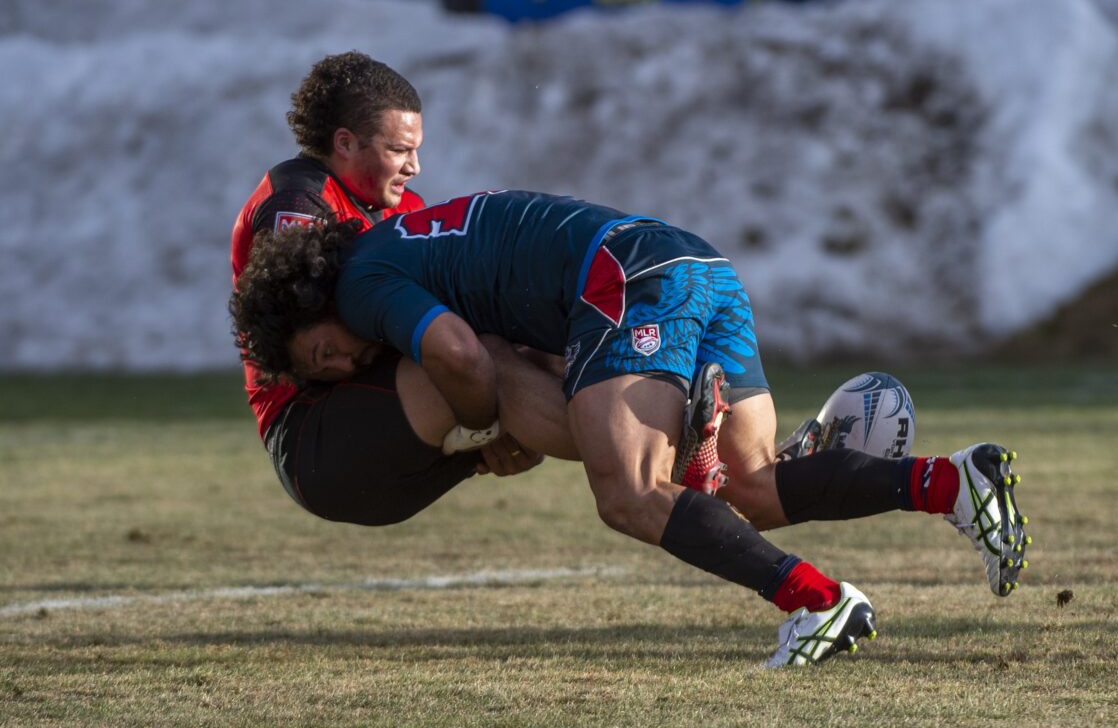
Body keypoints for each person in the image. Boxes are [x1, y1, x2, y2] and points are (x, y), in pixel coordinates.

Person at [231, 191, 1030, 667]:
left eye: (323, 354)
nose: (340, 367)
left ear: (316, 304)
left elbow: (458, 355)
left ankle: (815, 600)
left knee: (630, 494)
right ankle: (952, 482)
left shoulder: (365, 278)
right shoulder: (413, 245)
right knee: (755, 488)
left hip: (624, 281)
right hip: (694, 265)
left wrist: (480, 438)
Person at [230, 53, 565, 526]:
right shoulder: (298, 204)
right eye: (400, 150)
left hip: (388, 419)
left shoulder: (404, 207)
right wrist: (490, 418)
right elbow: (316, 337)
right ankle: (659, 457)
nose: (415, 167)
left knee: (542, 345)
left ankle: (683, 448)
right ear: (344, 143)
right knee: (481, 359)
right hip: (314, 438)